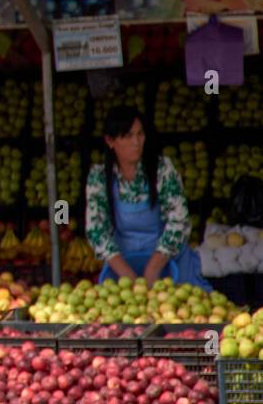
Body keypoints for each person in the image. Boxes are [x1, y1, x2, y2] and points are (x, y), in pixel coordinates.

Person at [86, 105, 210, 289]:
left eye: (140, 134)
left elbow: (179, 220)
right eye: (127, 136)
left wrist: (153, 268)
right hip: (124, 263)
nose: (136, 142)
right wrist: (128, 275)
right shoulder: (99, 177)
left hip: (169, 262)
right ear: (110, 141)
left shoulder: (162, 169)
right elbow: (97, 231)